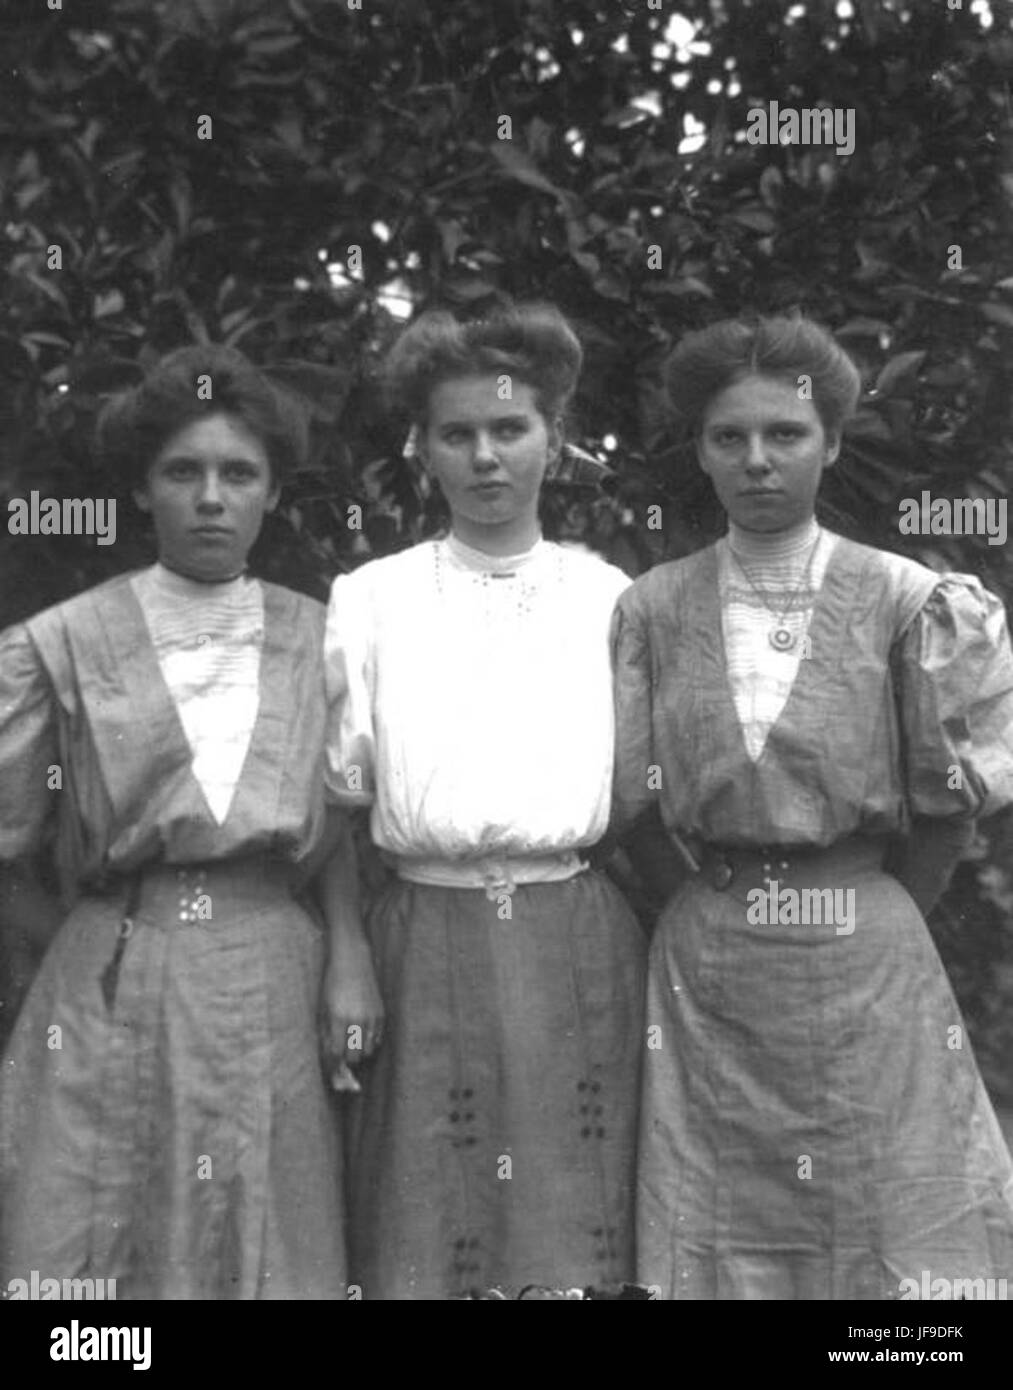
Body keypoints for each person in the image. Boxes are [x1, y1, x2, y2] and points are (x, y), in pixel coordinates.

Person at [612, 314, 1013, 1300]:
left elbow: (945, 808)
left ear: (829, 442)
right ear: (699, 451)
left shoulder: (909, 600)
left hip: (864, 948)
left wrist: (871, 908)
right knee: (718, 1212)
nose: (756, 459)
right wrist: (702, 901)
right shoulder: (650, 608)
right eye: (728, 437)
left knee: (878, 1206)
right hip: (708, 961)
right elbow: (633, 805)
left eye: (784, 434)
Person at [0, 345, 364, 1299]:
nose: (210, 498)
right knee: (96, 1232)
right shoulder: (61, 643)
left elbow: (341, 814)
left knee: (264, 1225)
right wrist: (85, 943)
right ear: (142, 488)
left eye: (238, 475)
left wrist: (348, 957)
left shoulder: (323, 637)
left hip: (273, 966)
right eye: (182, 472)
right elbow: (6, 844)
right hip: (112, 968)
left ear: (272, 493)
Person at [321, 301, 646, 1299]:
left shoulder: (610, 599)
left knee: (574, 1212)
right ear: (421, 449)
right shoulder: (370, 599)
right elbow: (338, 805)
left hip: (574, 935)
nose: (486, 456)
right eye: (456, 434)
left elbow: (642, 797)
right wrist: (347, 956)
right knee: (427, 1210)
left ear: (555, 435)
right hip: (420, 932)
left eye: (510, 428)